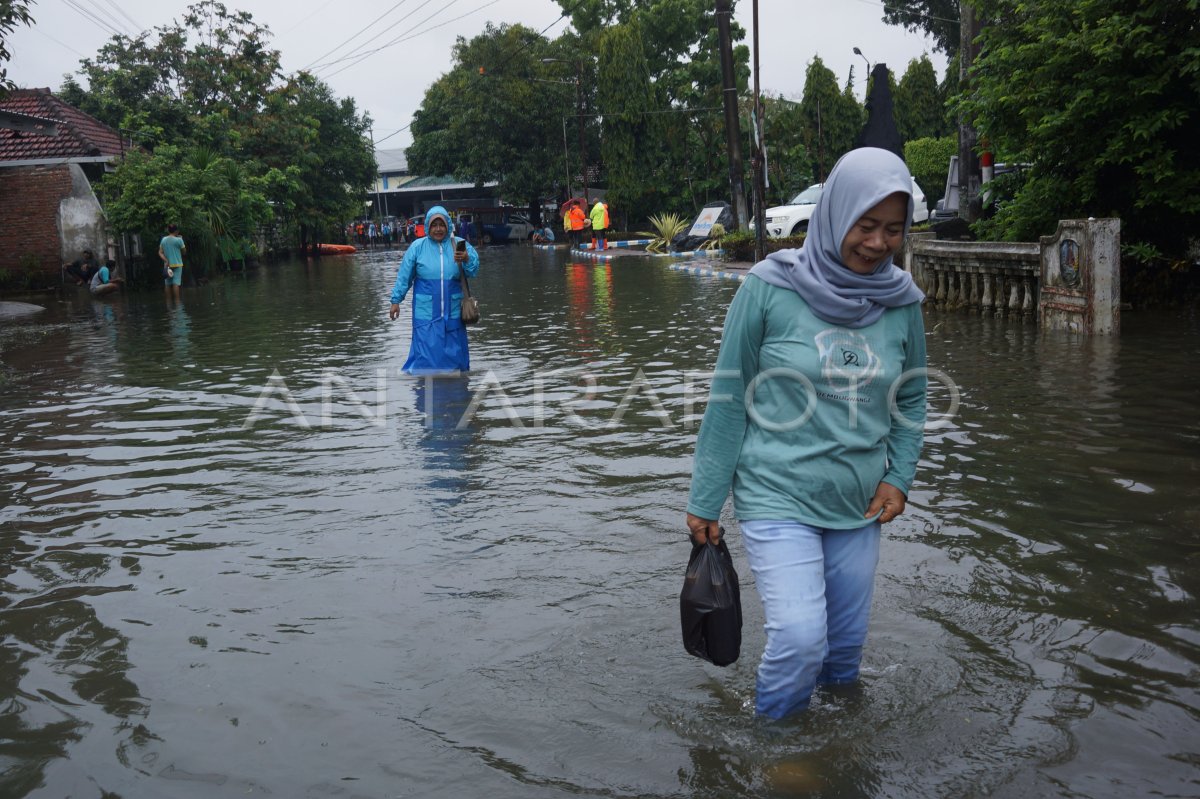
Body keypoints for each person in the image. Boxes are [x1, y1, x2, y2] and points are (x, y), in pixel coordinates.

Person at [685, 147, 928, 720]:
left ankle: (838, 741)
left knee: (842, 657)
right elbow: (729, 396)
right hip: (777, 492)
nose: (877, 243)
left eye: (893, 230)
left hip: (858, 499)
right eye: (865, 225)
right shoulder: (768, 289)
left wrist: (900, 476)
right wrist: (705, 498)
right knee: (798, 640)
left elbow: (912, 396)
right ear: (834, 213)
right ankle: (777, 749)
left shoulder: (901, 302)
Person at [388, 206, 480, 374]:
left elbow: (473, 271)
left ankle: (456, 396)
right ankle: (427, 393)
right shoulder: (418, 247)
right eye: (434, 225)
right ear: (428, 227)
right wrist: (396, 301)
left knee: (455, 358)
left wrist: (466, 259)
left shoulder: (458, 244)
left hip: (453, 312)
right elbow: (404, 276)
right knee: (425, 359)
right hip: (426, 314)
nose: (438, 229)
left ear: (448, 225)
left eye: (442, 224)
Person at [159, 224, 187, 301]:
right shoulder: (179, 240)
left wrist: (166, 260)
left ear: (168, 231)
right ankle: (177, 302)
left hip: (167, 265)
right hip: (177, 264)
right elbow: (184, 252)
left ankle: (169, 303)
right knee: (176, 283)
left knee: (167, 284)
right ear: (176, 231)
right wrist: (182, 241)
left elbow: (160, 252)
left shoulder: (164, 239)